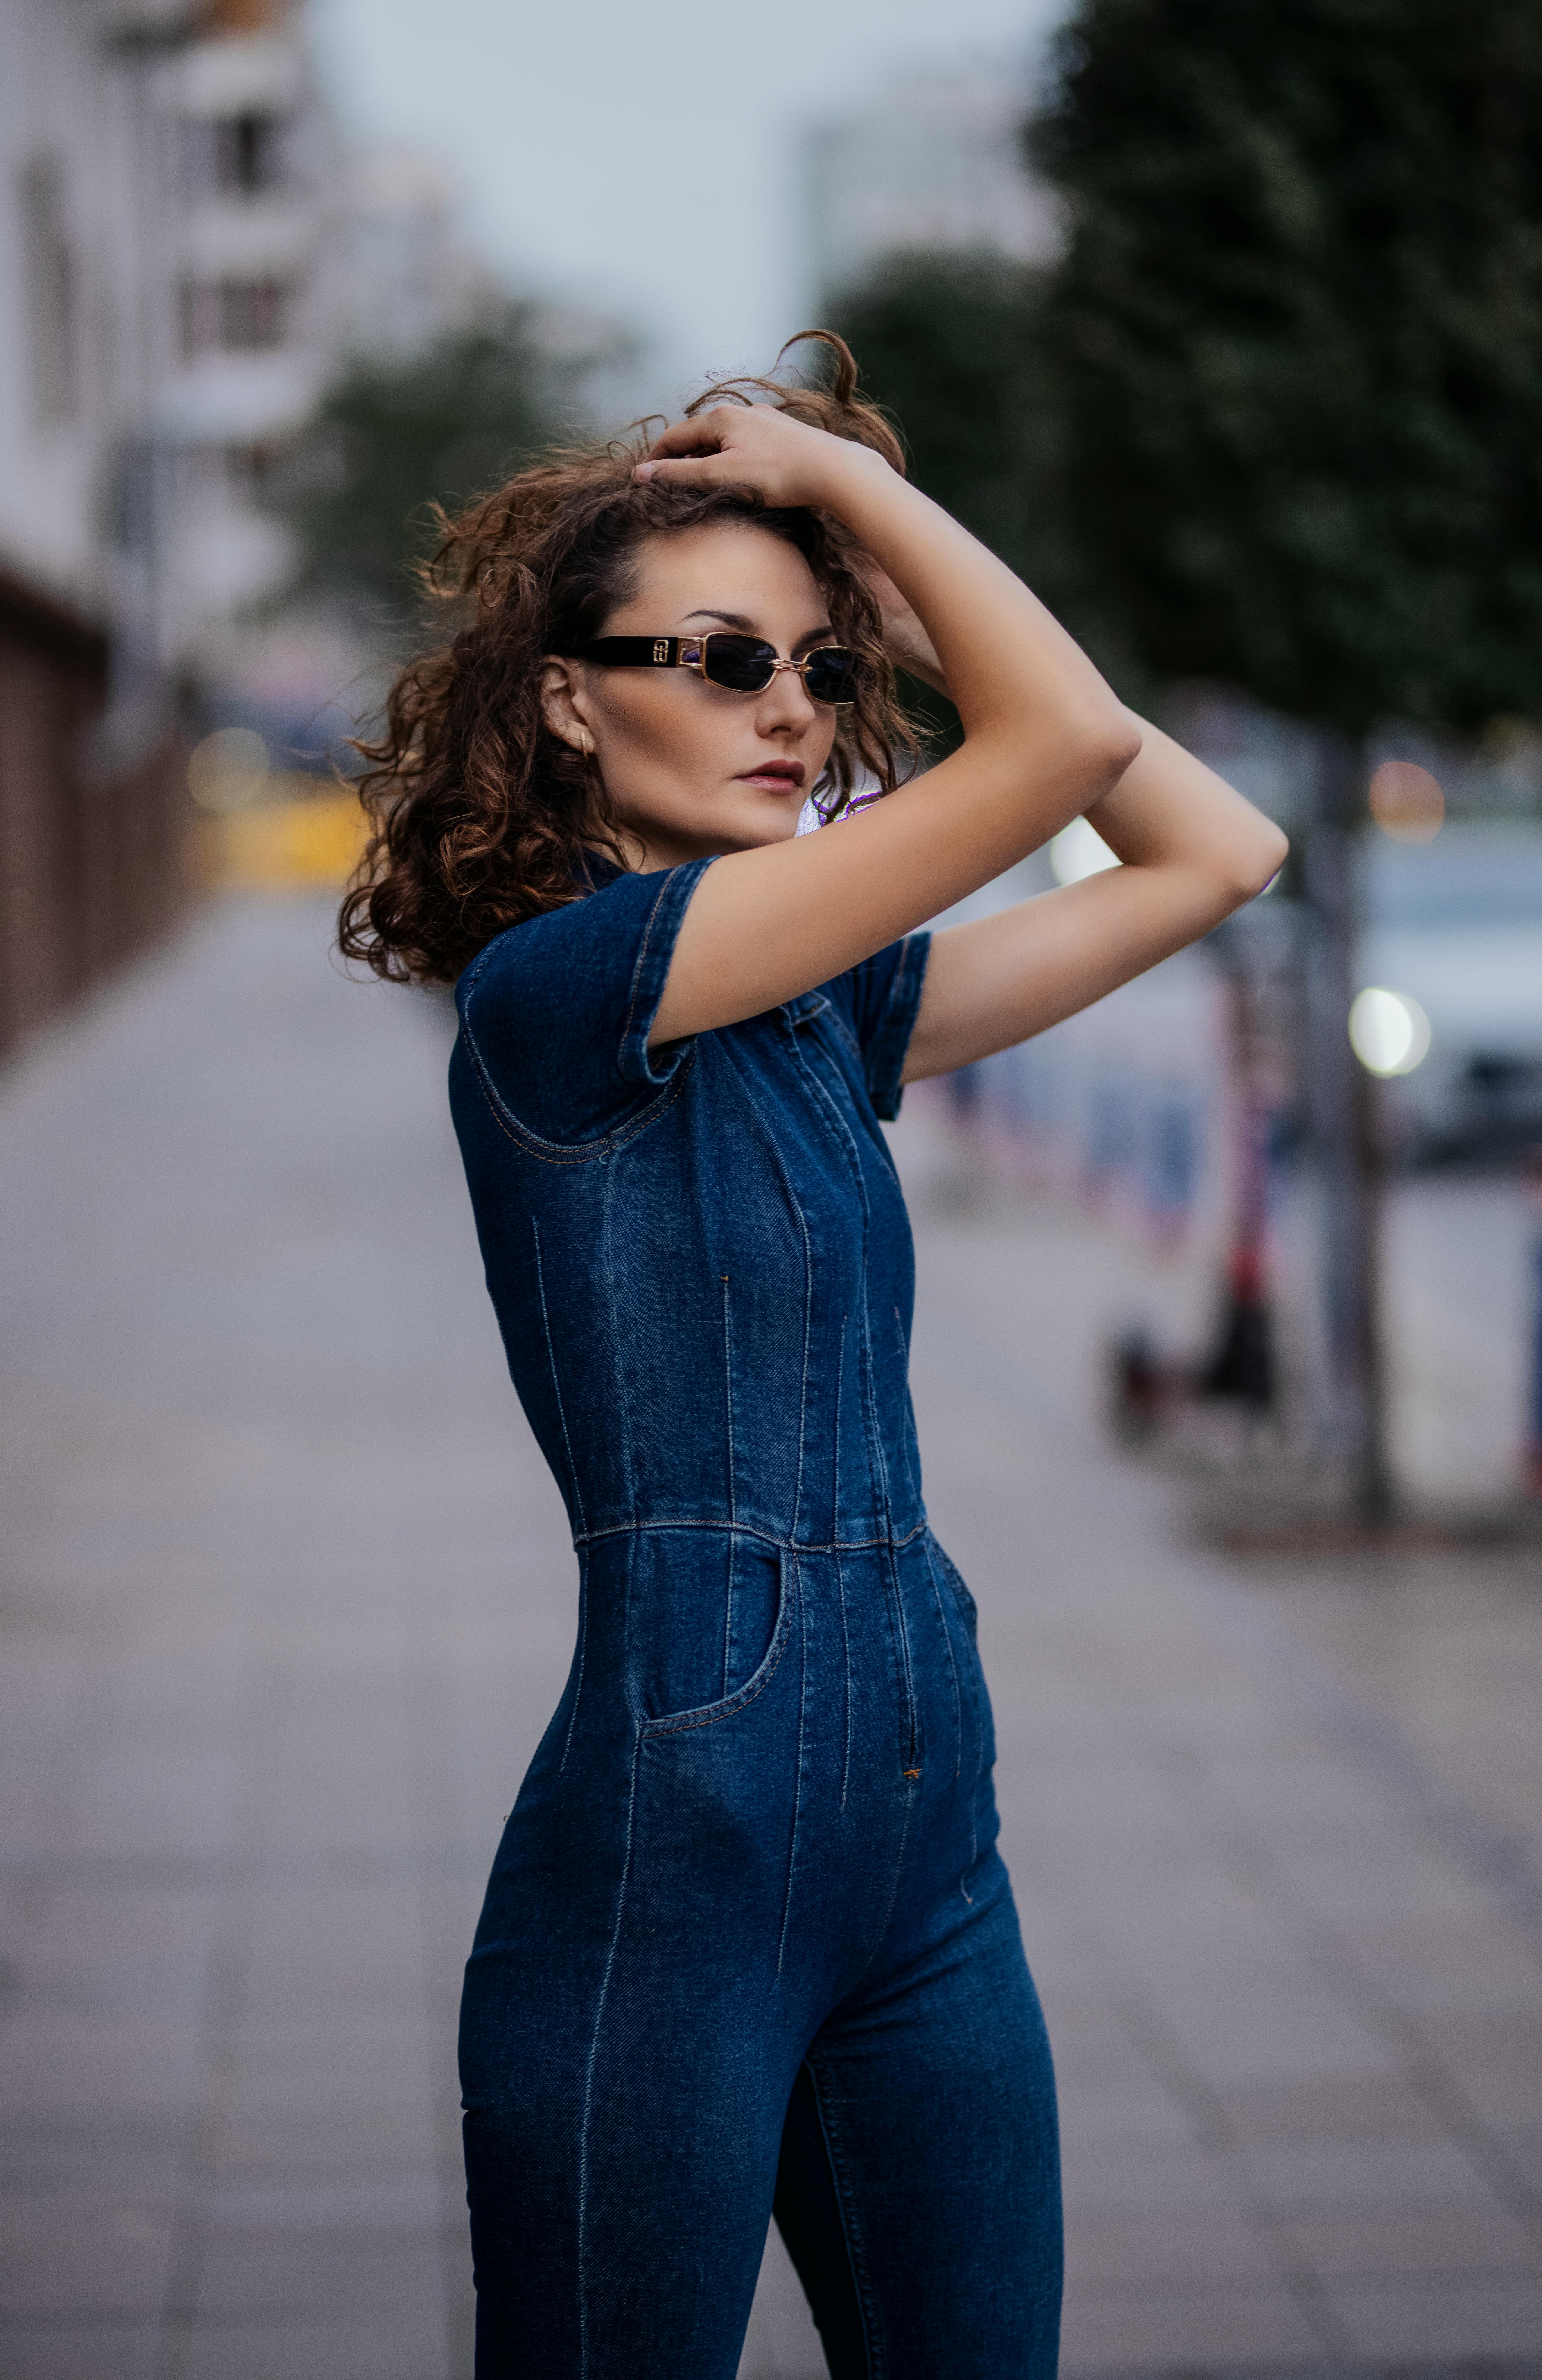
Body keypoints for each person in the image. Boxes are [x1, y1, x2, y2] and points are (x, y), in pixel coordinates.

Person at [339, 334, 1287, 2379]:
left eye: (818, 670)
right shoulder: (564, 991)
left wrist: (842, 538)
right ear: (570, 700)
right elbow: (1047, 746)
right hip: (675, 1867)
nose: (787, 710)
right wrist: (852, 502)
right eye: (719, 658)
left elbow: (1214, 854)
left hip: (925, 1830)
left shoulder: (817, 1008)